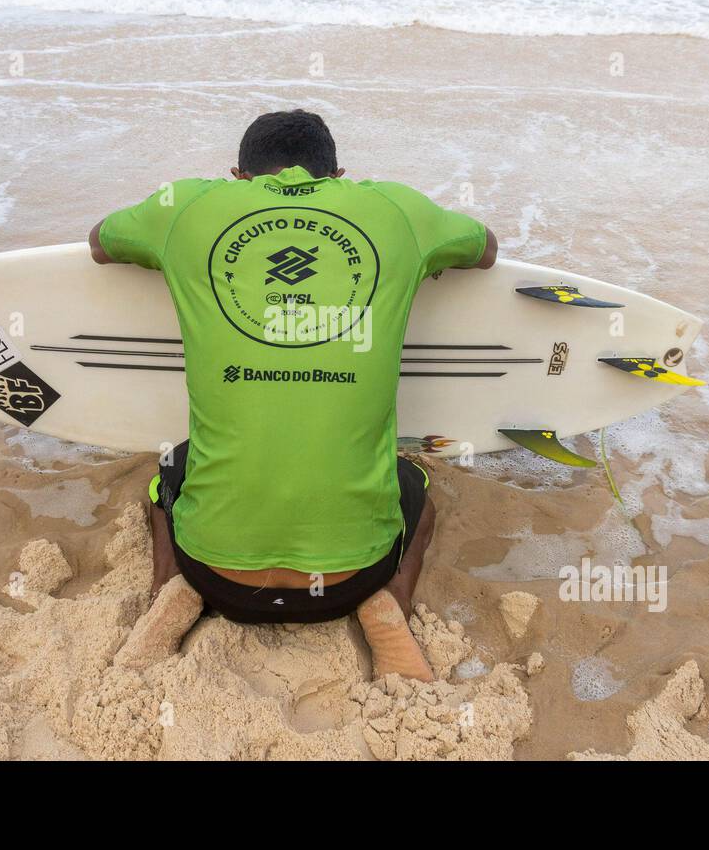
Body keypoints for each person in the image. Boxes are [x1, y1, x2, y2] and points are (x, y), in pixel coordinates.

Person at [91, 110, 496, 679]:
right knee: (417, 487)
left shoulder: (185, 206)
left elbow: (100, 243)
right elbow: (486, 250)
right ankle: (390, 606)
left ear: (237, 175)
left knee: (169, 471)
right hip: (352, 580)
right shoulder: (399, 211)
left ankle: (173, 592)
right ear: (339, 174)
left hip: (218, 576)